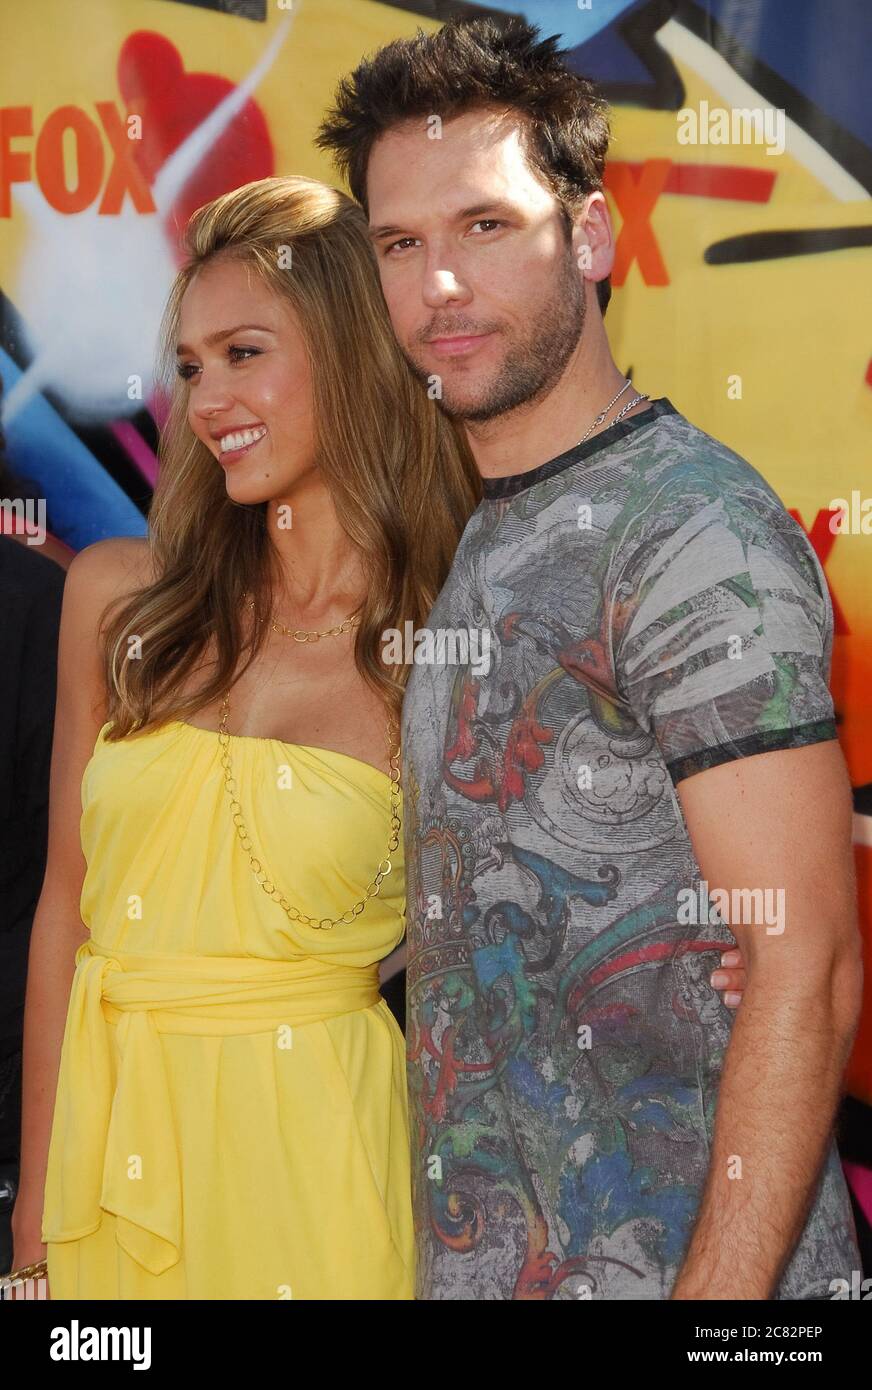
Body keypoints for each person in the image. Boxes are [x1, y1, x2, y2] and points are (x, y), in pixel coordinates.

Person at [316, 16, 863, 1299]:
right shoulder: (489, 530)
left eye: (484, 225)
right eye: (402, 243)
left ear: (595, 236)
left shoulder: (688, 530)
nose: (438, 284)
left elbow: (806, 970)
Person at [9, 173, 481, 1299]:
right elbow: (64, 907)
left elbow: (478, 941)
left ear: (349, 355)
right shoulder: (121, 600)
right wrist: (33, 1209)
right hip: (102, 1162)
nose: (207, 396)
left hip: (319, 1175)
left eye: (244, 352)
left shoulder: (451, 641)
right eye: (187, 364)